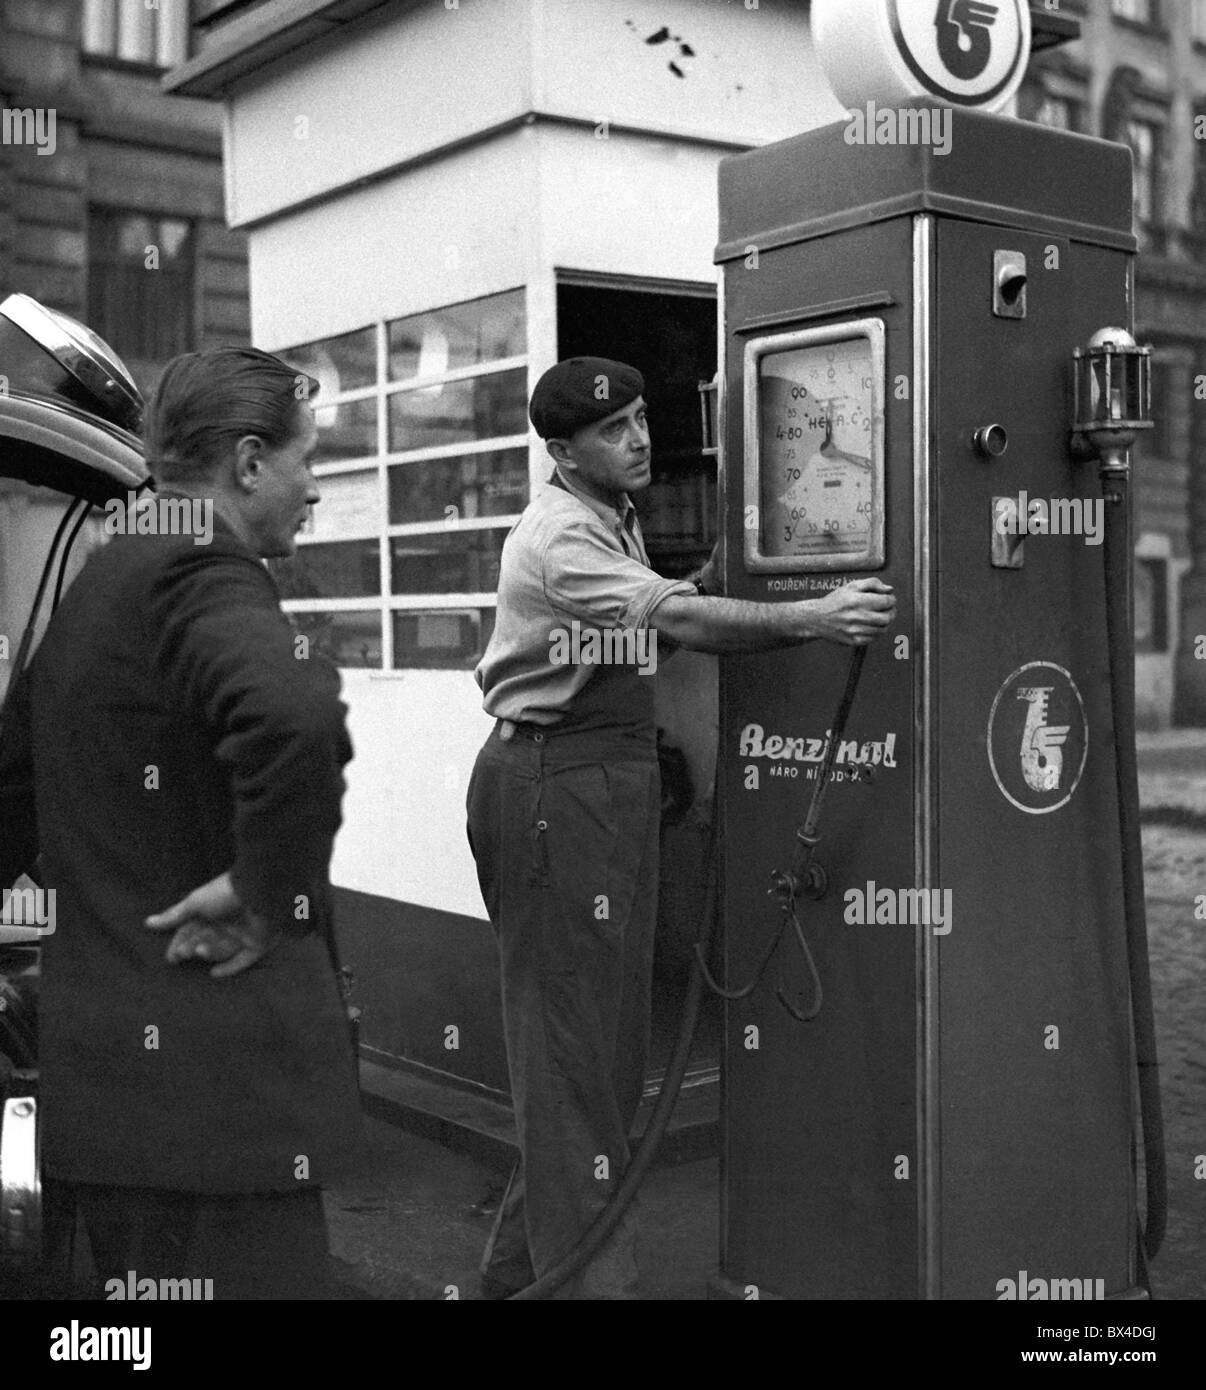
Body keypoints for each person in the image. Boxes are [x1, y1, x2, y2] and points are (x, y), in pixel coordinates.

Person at [466, 356, 895, 1299]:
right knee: (577, 1065)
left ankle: (509, 1282)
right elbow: (682, 622)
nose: (638, 439)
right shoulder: (562, 539)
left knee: (594, 1067)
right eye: (612, 430)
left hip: (596, 780)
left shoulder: (608, 518)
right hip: (551, 786)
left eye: (643, 419)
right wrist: (812, 615)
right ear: (562, 450)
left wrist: (748, 558)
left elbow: (657, 617)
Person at [0, 347, 362, 1299]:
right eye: (307, 461)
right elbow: (294, 717)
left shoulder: (100, 581)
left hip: (111, 1114)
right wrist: (265, 891)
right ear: (248, 463)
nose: (314, 490)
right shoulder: (201, 566)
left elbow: (9, 784)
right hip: (218, 1127)